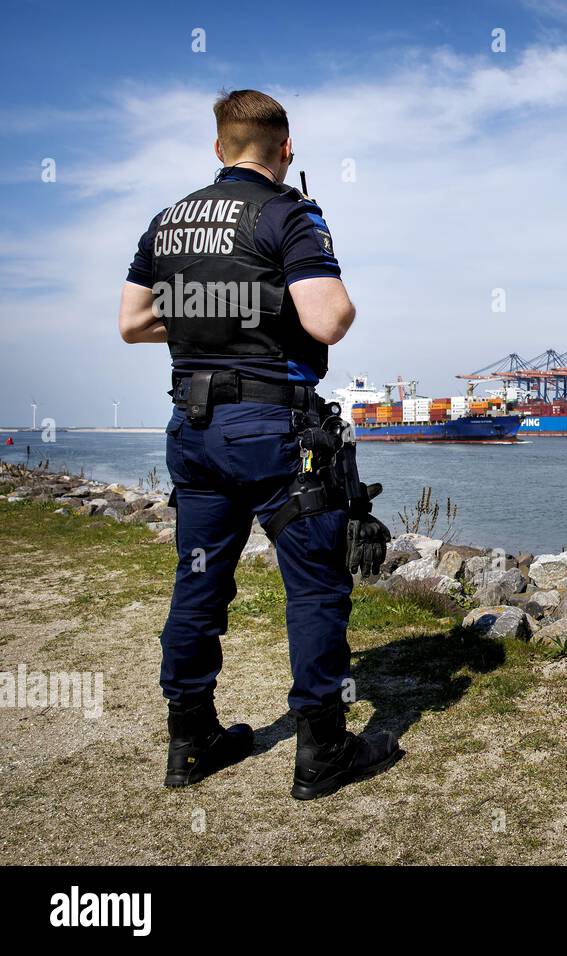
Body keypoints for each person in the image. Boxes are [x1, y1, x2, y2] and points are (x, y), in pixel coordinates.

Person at [117, 89, 399, 800]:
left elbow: (133, 322)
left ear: (218, 149)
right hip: (275, 431)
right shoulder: (289, 213)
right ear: (287, 150)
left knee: (199, 582)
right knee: (314, 588)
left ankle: (191, 740)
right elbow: (328, 319)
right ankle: (323, 754)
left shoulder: (168, 222)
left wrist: (209, 314)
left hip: (195, 430)